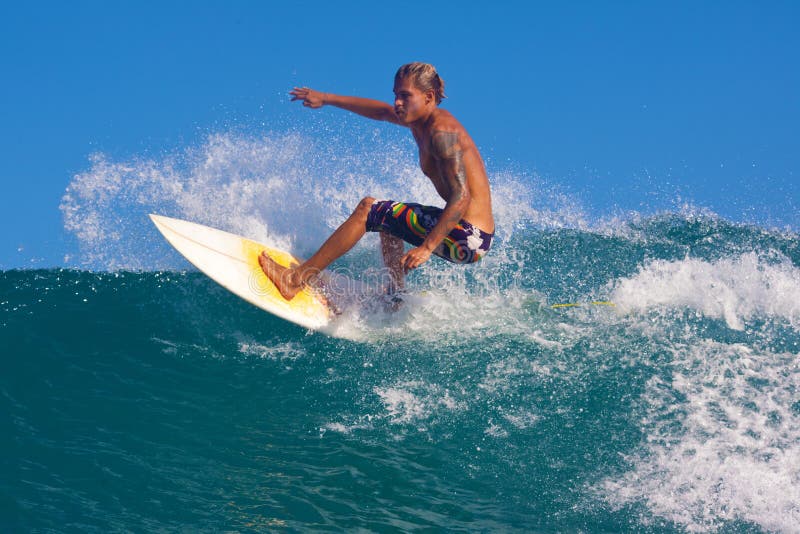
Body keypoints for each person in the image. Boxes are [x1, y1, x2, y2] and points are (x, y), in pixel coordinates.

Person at [259, 62, 494, 301]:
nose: (397, 103)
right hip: (469, 236)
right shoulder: (418, 121)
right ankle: (395, 296)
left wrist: (427, 248)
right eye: (395, 95)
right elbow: (381, 112)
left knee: (369, 209)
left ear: (428, 97)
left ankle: (295, 280)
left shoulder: (442, 132)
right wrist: (326, 98)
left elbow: (461, 196)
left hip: (468, 236)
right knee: (388, 219)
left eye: (405, 96)